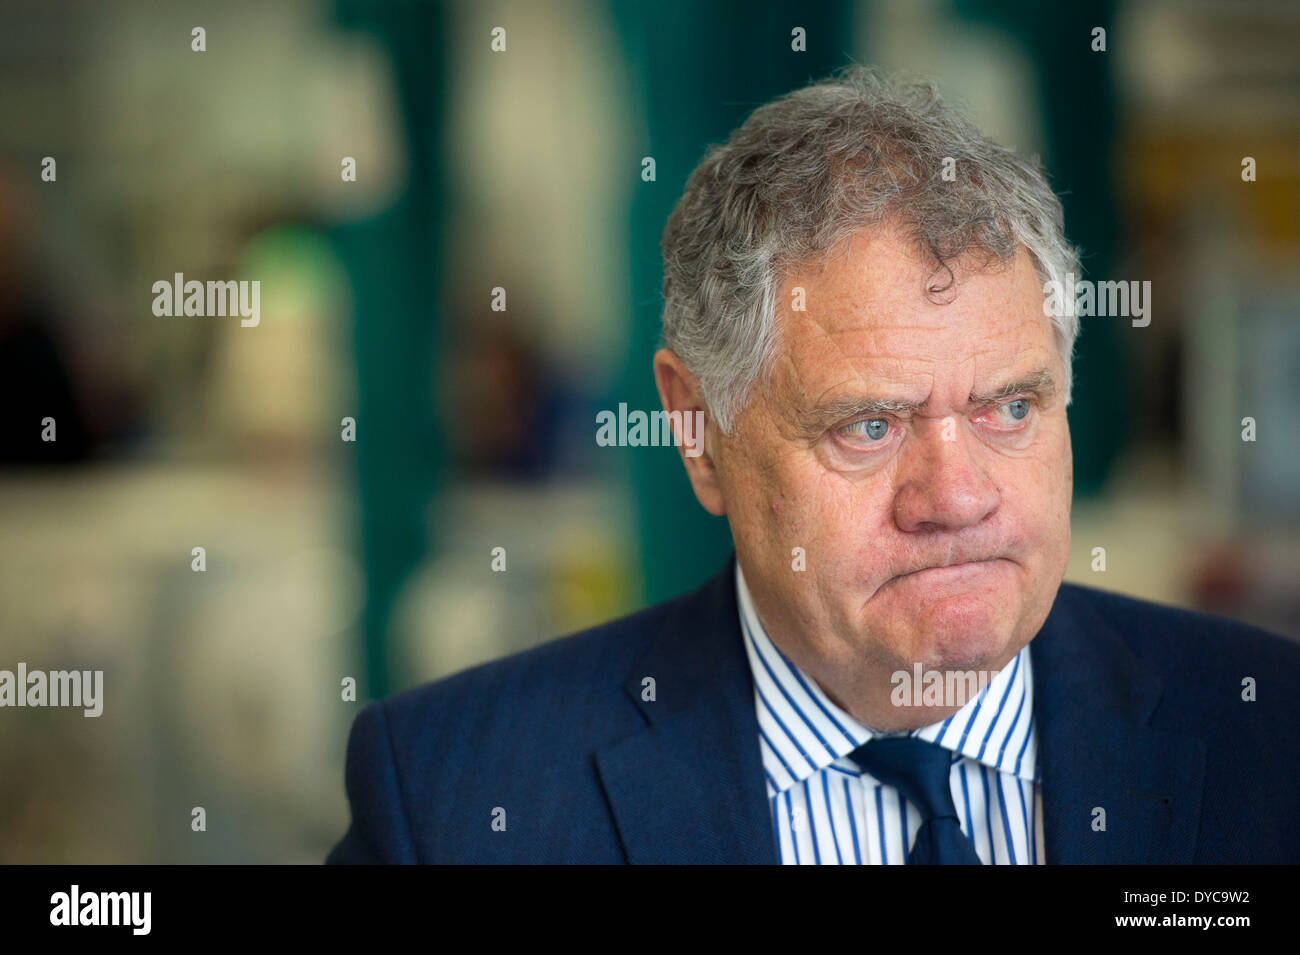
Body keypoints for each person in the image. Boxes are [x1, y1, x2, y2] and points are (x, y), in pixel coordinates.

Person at [327, 66, 1300, 865]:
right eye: (869, 426)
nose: (958, 497)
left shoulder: (1270, 737)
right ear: (698, 432)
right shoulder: (459, 806)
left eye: (1010, 408)